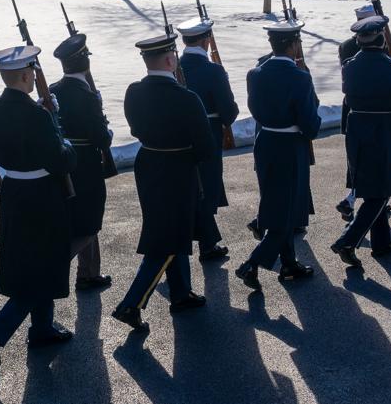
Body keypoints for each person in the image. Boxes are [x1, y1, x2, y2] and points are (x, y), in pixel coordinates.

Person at [0, 46, 76, 369]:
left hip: (15, 191)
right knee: (44, 265)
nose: (34, 76)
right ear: (24, 75)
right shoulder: (37, 115)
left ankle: (42, 328)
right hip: (42, 195)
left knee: (34, 264)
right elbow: (59, 160)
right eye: (31, 72)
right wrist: (67, 142)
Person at [112, 34, 212, 332]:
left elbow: (135, 127)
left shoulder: (133, 92)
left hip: (149, 164)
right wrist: (187, 155)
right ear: (170, 60)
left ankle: (180, 292)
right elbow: (205, 147)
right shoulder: (186, 97)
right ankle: (131, 304)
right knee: (169, 236)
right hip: (177, 169)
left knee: (170, 229)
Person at [235, 21, 322, 292]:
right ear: (294, 44)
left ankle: (289, 263)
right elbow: (309, 123)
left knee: (277, 202)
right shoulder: (299, 77)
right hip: (289, 144)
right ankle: (252, 263)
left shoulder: (255, 73)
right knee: (289, 209)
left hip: (266, 142)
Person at [330, 16, 391, 266]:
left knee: (373, 186)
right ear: (382, 39)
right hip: (383, 132)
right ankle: (347, 241)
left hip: (357, 130)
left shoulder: (349, 66)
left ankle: (381, 242)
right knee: (380, 191)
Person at [48, 34, 115, 290]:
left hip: (63, 163)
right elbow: (101, 138)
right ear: (86, 63)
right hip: (85, 165)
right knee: (89, 221)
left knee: (83, 219)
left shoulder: (53, 90)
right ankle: (53, 267)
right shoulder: (86, 95)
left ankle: (88, 273)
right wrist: (106, 132)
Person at [177, 19, 239, 262]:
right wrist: (227, 119)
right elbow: (227, 108)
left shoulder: (174, 66)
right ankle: (206, 244)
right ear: (206, 40)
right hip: (208, 131)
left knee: (193, 184)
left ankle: (208, 241)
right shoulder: (213, 70)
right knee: (207, 184)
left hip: (180, 137)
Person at [335, 5, 379, 222]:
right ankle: (364, 199)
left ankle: (352, 198)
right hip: (375, 110)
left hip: (352, 108)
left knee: (355, 159)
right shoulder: (379, 43)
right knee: (375, 161)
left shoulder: (345, 45)